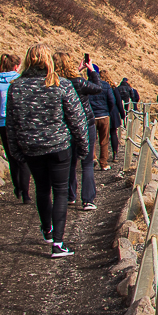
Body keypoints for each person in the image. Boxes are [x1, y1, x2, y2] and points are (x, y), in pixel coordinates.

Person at [6, 44, 89, 257]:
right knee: (60, 190)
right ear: (48, 61)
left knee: (42, 188)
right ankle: (58, 244)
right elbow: (77, 118)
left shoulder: (16, 87)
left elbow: (11, 122)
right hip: (59, 145)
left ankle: (47, 230)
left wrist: (15, 151)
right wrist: (83, 146)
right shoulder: (60, 84)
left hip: (32, 147)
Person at [54, 52, 101, 211]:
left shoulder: (54, 83)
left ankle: (70, 195)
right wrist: (92, 71)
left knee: (70, 162)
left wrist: (78, 70)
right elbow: (97, 88)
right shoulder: (79, 82)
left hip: (65, 126)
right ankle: (88, 200)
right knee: (87, 163)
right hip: (86, 123)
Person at [0, 52, 30, 203]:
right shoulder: (21, 80)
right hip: (20, 122)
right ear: (16, 66)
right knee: (24, 158)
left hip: (4, 123)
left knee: (12, 158)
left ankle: (17, 187)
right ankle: (26, 193)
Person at [86, 61, 115, 170]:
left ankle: (92, 158)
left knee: (91, 140)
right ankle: (104, 163)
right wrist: (108, 111)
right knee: (104, 141)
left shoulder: (85, 84)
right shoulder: (105, 85)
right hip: (104, 115)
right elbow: (111, 100)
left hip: (90, 116)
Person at [100, 69, 125, 163]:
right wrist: (122, 114)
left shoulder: (98, 86)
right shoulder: (113, 88)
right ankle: (115, 154)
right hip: (113, 112)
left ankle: (103, 156)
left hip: (102, 111)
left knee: (103, 135)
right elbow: (118, 102)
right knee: (113, 133)